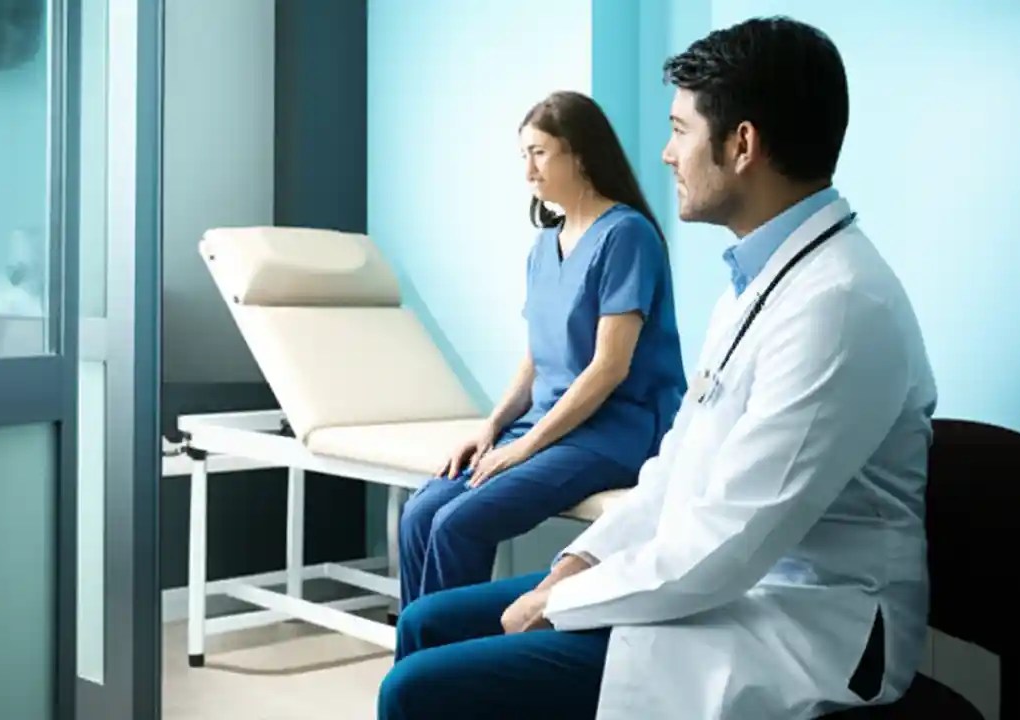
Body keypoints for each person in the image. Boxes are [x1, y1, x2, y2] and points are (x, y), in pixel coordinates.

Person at [379, 16, 937, 720]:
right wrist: (577, 562)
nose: (668, 154)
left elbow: (734, 537)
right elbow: (677, 469)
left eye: (680, 130)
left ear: (741, 145)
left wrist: (561, 601)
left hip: (804, 620)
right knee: (424, 624)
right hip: (719, 581)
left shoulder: (839, 303)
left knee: (415, 689)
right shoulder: (759, 285)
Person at [397, 90, 687, 609]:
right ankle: (418, 656)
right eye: (524, 155)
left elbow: (609, 367)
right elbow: (535, 359)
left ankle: (460, 658)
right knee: (419, 514)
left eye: (539, 153)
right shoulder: (543, 245)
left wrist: (525, 447)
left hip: (614, 431)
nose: (528, 170)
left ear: (580, 155)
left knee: (458, 523)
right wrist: (491, 428)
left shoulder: (626, 236)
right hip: (550, 425)